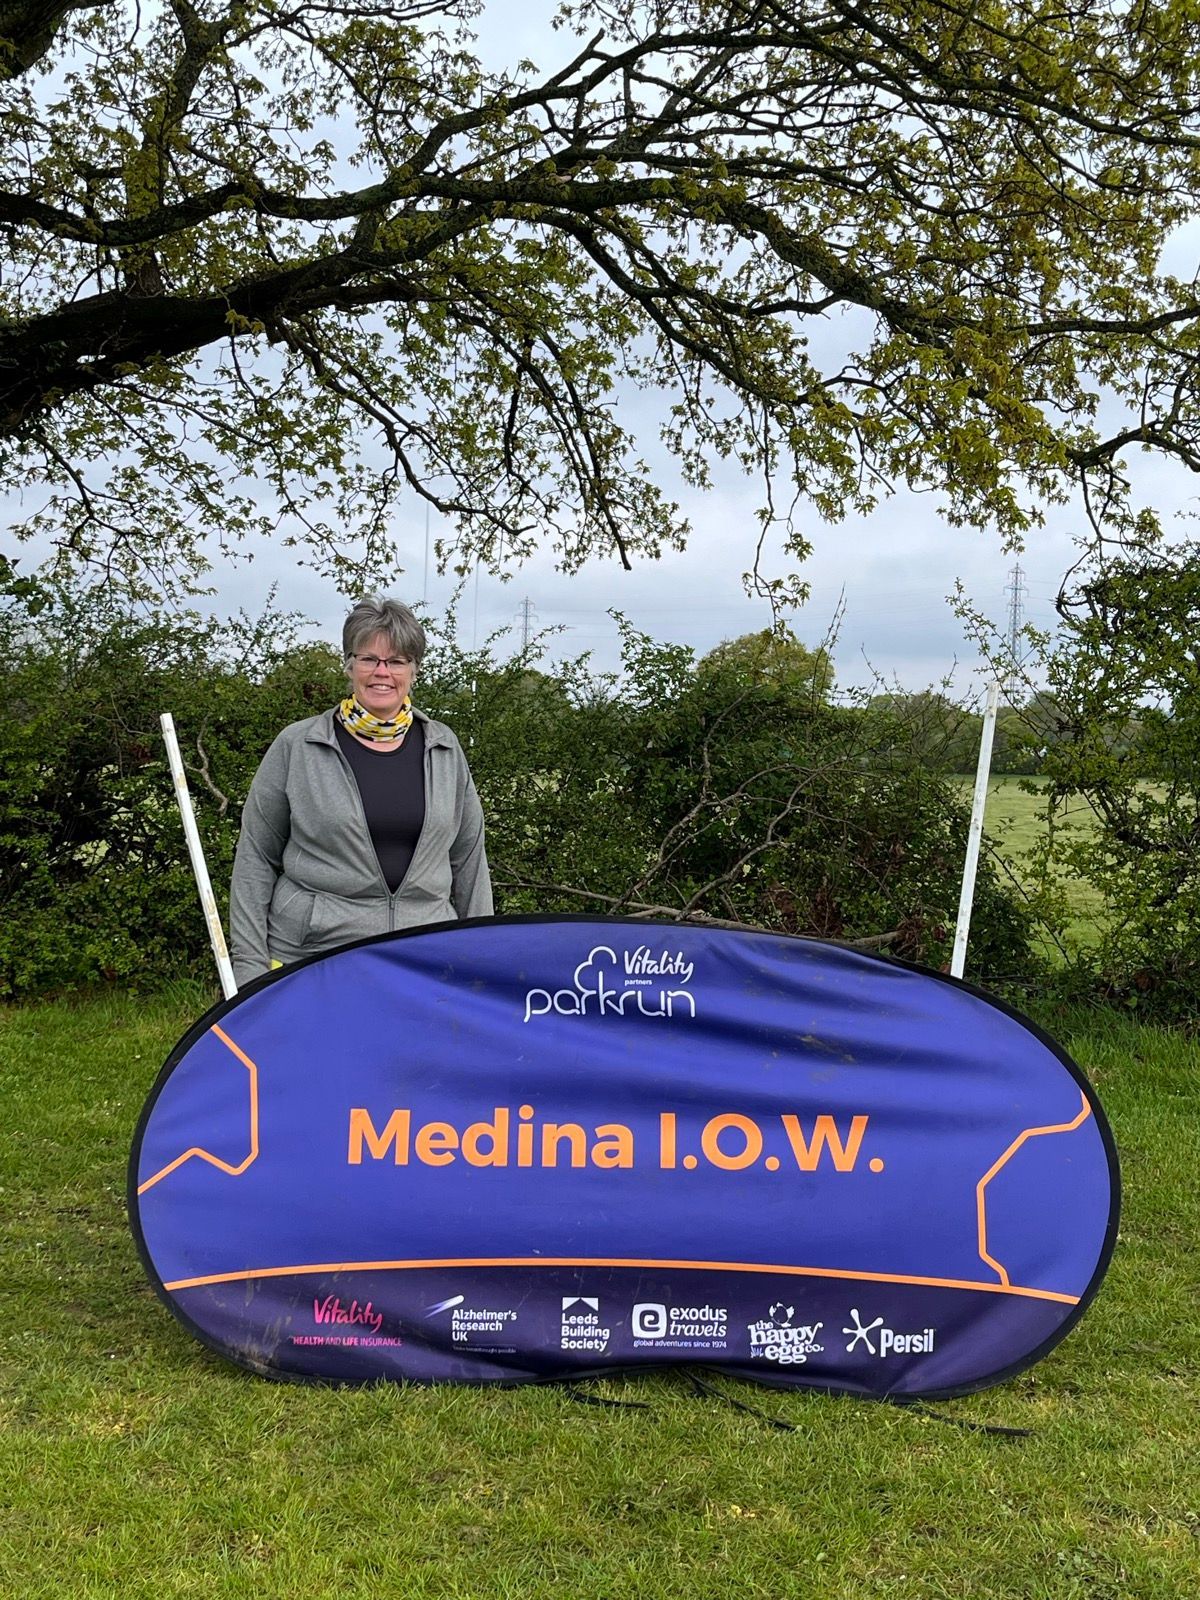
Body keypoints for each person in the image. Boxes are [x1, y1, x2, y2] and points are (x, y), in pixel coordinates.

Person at [229, 596, 492, 986]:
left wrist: (484, 960)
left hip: (426, 957)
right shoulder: (298, 745)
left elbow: (469, 861)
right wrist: (249, 969)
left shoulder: (444, 747)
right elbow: (255, 857)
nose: (381, 672)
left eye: (396, 661)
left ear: (414, 670)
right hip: (315, 957)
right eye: (369, 659)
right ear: (350, 665)